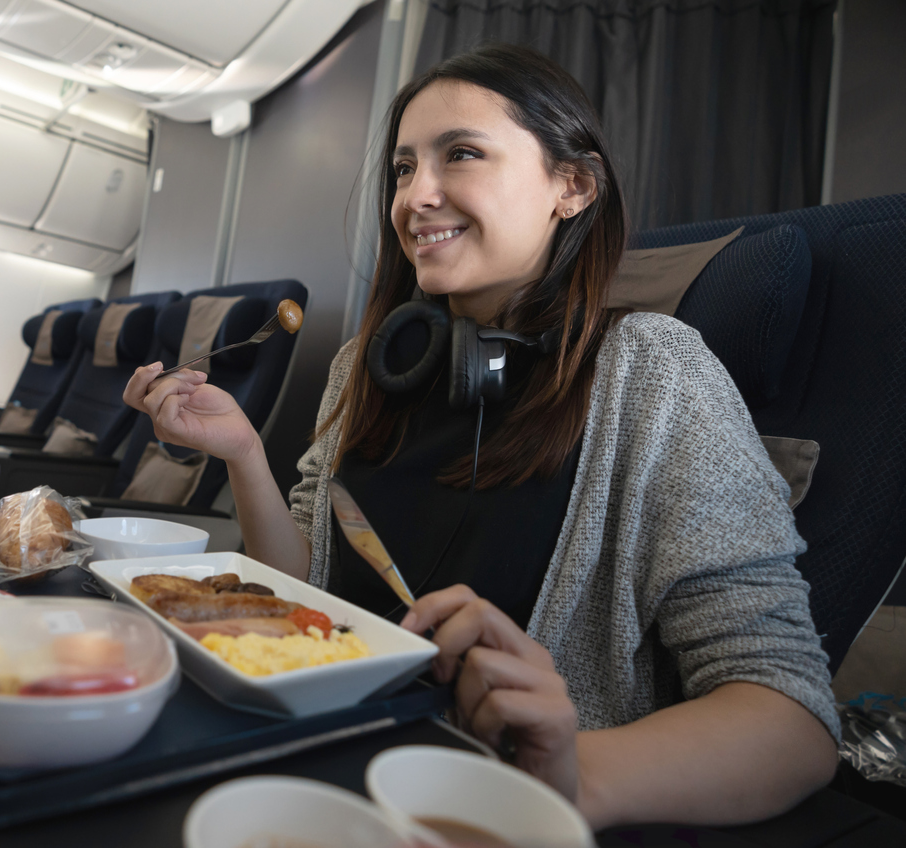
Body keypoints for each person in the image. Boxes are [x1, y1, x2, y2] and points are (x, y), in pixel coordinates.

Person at [123, 44, 838, 830]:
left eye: (460, 154)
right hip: (311, 759)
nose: (416, 195)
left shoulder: (656, 374)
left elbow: (790, 715)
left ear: (572, 186)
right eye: (402, 169)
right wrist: (245, 454)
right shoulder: (371, 365)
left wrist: (568, 779)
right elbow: (312, 588)